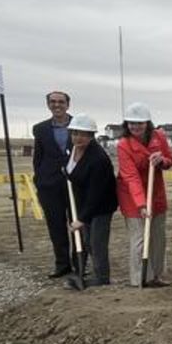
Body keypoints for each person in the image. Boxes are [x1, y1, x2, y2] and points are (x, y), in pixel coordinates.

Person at [116, 102, 172, 287]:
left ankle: (157, 275)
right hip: (132, 197)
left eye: (140, 123)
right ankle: (139, 278)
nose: (136, 127)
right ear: (126, 124)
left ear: (147, 123)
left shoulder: (159, 137)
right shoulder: (123, 145)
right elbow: (131, 177)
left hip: (156, 192)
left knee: (158, 237)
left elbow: (170, 160)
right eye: (132, 123)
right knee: (140, 238)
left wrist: (162, 161)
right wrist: (141, 204)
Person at [65, 113, 117, 288]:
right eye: (75, 133)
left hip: (101, 205)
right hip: (83, 203)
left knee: (97, 242)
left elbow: (97, 193)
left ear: (91, 136)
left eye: (83, 134)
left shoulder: (98, 159)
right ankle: (83, 272)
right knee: (87, 241)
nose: (77, 137)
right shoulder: (71, 149)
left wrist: (81, 219)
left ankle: (102, 277)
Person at [32, 91, 73, 278]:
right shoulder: (40, 129)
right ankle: (62, 264)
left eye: (61, 102)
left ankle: (80, 262)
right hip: (50, 184)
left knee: (78, 224)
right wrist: (39, 180)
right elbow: (38, 158)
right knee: (56, 226)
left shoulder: (79, 125)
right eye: (53, 102)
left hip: (75, 184)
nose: (57, 105)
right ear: (48, 104)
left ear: (68, 104)